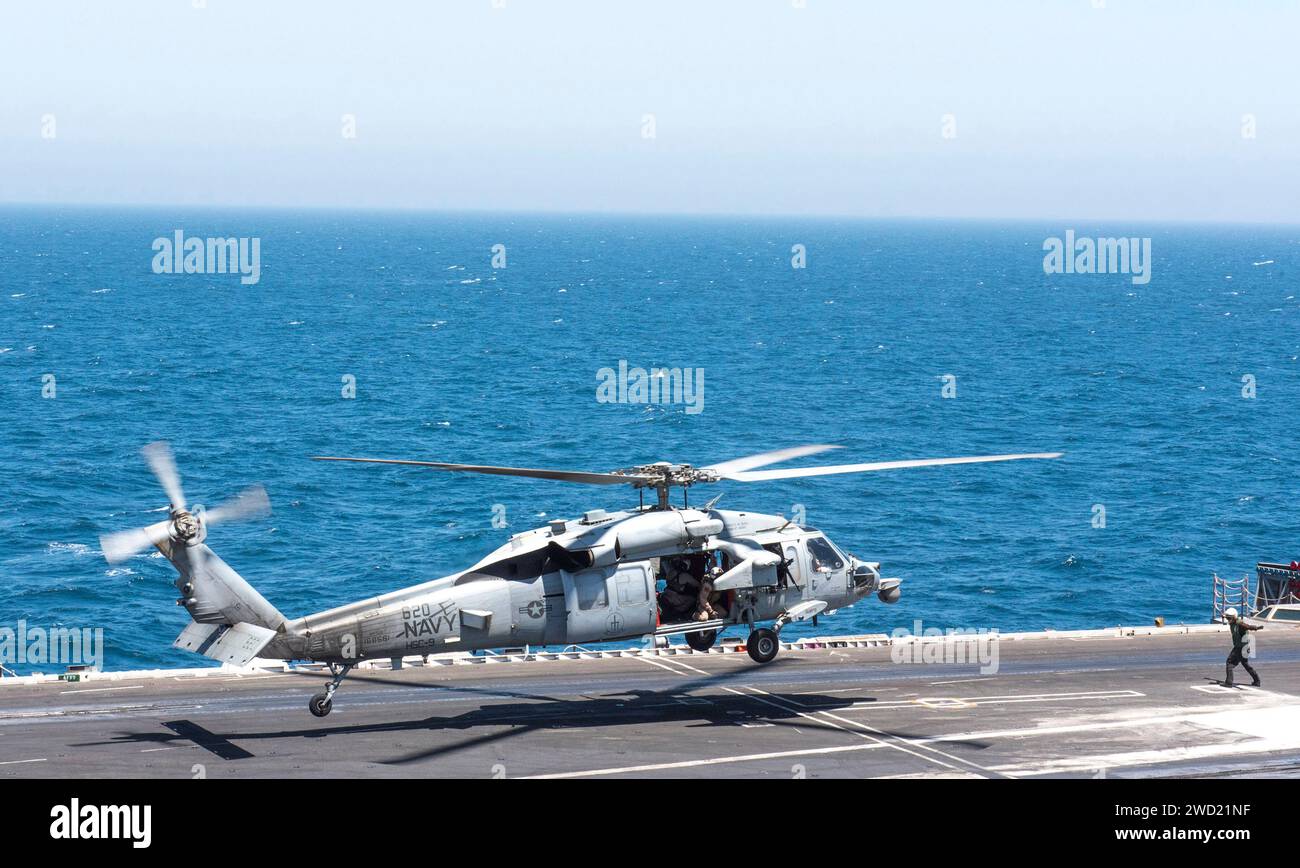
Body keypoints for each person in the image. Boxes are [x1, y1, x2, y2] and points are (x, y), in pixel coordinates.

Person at [1223, 608, 1263, 688]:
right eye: (1227, 618)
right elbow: (1226, 616)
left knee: (1229, 663)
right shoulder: (1232, 622)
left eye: (1229, 618)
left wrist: (1256, 628)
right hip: (1243, 647)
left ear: (1234, 617)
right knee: (1245, 664)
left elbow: (1247, 626)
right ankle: (1257, 681)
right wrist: (1225, 615)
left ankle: (1229, 682)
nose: (1228, 619)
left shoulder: (1239, 624)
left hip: (1241, 647)